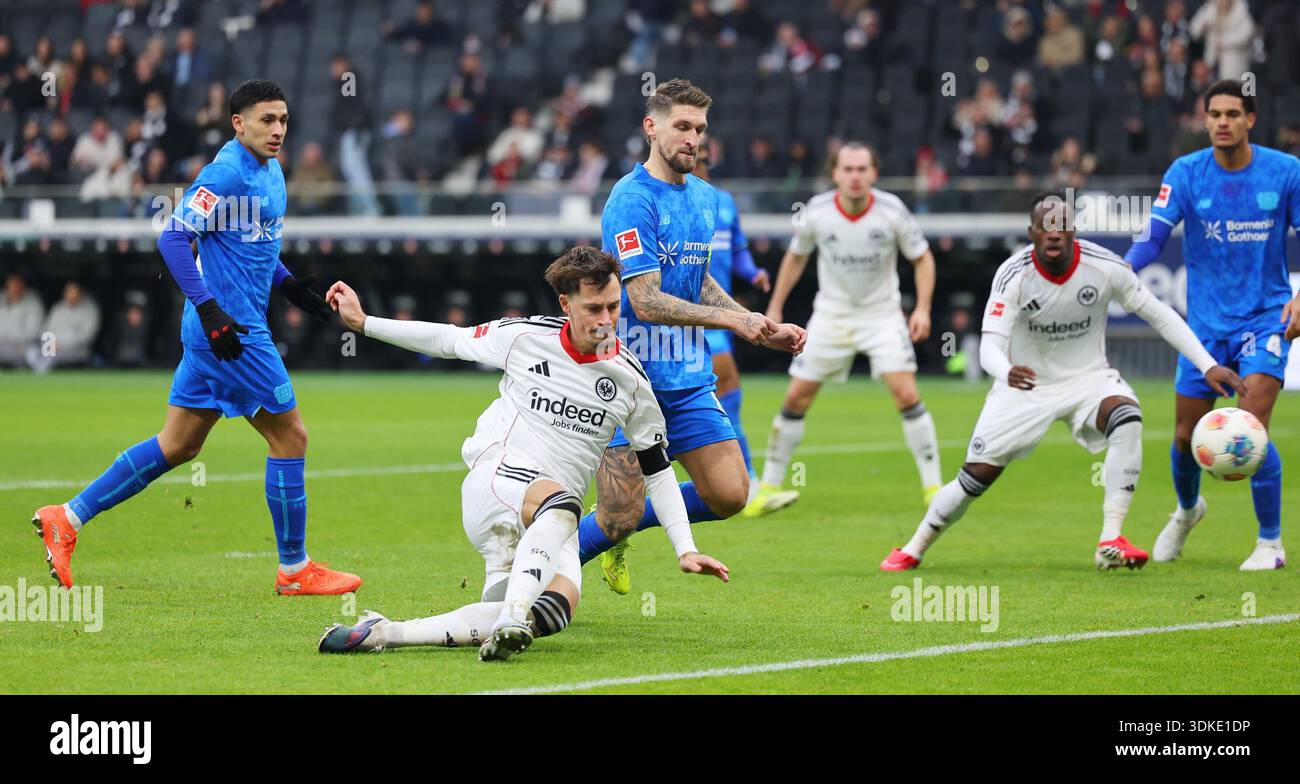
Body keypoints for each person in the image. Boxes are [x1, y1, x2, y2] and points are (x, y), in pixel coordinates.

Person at [31, 80, 361, 595]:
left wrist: (295, 289)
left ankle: (66, 518)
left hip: (220, 331)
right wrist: (209, 310)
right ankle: (295, 571)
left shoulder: (271, 171)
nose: (278, 130)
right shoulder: (226, 171)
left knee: (178, 445)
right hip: (232, 334)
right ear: (238, 122)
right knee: (290, 436)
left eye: (284, 120)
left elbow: (254, 247)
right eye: (266, 120)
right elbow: (173, 238)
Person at [318, 247, 729, 660]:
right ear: (566, 303)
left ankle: (384, 634)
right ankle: (512, 616)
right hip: (496, 484)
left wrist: (685, 548)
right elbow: (448, 339)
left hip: (549, 522)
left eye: (613, 306)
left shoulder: (630, 378)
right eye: (594, 309)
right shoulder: (524, 338)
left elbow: (656, 469)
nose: (606, 320)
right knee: (557, 518)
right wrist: (363, 322)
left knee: (553, 611)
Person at [882, 192, 1246, 571]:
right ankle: (916, 544)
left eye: (1061, 226)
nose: (1053, 233)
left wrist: (1206, 365)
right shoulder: (1013, 274)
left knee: (1127, 417)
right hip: (1024, 387)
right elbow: (990, 344)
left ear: (1073, 230)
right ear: (1032, 232)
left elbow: (1159, 315)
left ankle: (1111, 538)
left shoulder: (1105, 266)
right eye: (1045, 226)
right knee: (973, 479)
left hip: (1088, 380)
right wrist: (1005, 371)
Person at [572, 78, 806, 595]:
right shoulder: (630, 200)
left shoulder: (706, 198)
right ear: (651, 128)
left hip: (688, 380)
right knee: (614, 518)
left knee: (730, 495)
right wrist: (732, 323)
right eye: (682, 126)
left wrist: (756, 326)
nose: (693, 138)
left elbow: (696, 276)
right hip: (626, 385)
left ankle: (631, 520)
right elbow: (646, 301)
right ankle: (543, 570)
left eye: (700, 129)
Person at [1125, 80, 1300, 571]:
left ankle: (1270, 543)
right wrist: (1120, 270)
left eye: (1233, 114)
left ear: (1251, 120)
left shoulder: (1286, 173)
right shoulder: (1185, 173)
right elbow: (1153, 239)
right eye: (1214, 114)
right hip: (1203, 327)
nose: (1223, 122)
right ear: (1204, 121)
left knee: (1248, 429)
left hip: (1265, 318)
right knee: (1185, 436)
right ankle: (1186, 511)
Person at [752, 142, 942, 515]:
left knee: (906, 395)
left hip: (883, 316)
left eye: (862, 169)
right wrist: (775, 307)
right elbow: (796, 257)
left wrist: (922, 309)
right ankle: (768, 489)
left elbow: (923, 258)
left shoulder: (892, 211)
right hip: (831, 316)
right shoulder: (817, 212)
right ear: (835, 173)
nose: (855, 176)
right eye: (847, 169)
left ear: (874, 173)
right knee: (796, 399)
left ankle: (934, 488)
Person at [690, 141, 772, 506]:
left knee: (722, 387)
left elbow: (737, 249)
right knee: (726, 382)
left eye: (705, 160)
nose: (700, 166)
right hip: (689, 312)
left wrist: (752, 274)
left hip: (722, 310)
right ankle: (747, 479)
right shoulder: (679, 201)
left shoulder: (722, 202)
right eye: (696, 161)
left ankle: (744, 479)